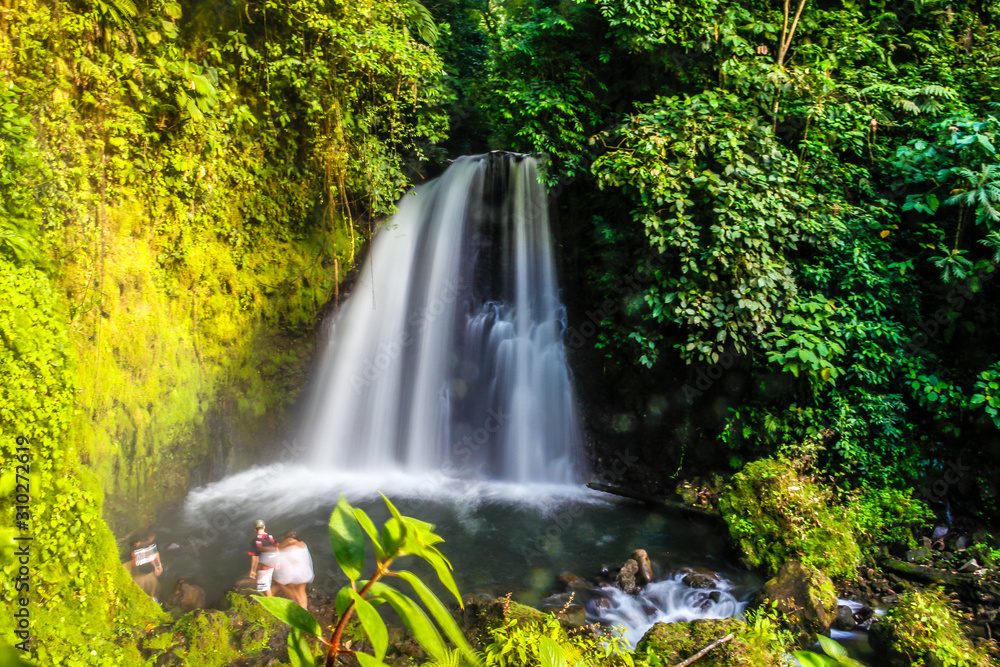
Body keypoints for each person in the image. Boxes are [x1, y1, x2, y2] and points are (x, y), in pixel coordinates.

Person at [273, 531, 314, 609]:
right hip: (305, 573)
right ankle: (305, 610)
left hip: (295, 575)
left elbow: (278, 551)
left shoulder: (285, 548)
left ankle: (299, 607)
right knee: (301, 591)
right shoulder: (303, 544)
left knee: (291, 590)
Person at [249, 519, 279, 596]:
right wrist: (277, 562)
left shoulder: (255, 541)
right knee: (267, 585)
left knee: (265, 589)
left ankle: (271, 605)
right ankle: (271, 602)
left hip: (263, 568)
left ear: (255, 529)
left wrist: (253, 571)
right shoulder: (271, 537)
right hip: (272, 565)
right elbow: (277, 548)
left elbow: (255, 557)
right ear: (264, 527)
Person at [129, 532, 163, 602]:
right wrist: (156, 567)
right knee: (144, 585)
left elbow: (153, 554)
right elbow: (148, 557)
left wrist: (158, 566)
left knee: (152, 585)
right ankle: (150, 597)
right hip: (143, 571)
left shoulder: (148, 545)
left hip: (148, 570)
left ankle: (153, 597)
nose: (137, 544)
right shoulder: (136, 549)